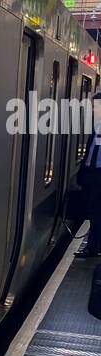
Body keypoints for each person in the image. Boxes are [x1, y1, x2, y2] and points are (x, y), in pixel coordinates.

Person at [76, 92, 101, 259]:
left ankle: (93, 248)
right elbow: (91, 150)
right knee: (94, 211)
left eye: (96, 107)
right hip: (93, 173)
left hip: (99, 174)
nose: (93, 110)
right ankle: (93, 247)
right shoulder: (97, 126)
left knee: (96, 212)